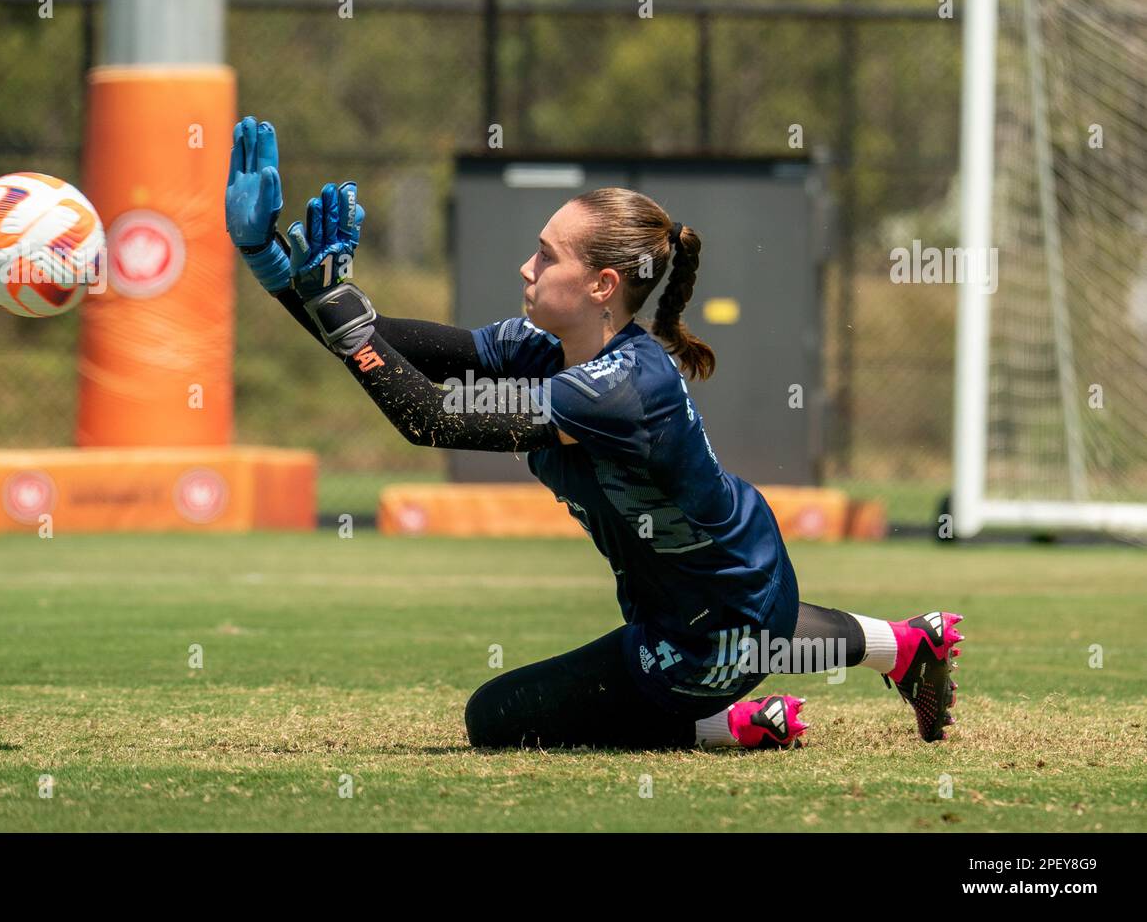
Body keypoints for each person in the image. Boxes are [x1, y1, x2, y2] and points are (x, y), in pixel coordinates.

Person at [224, 116, 964, 750]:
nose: (527, 264)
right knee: (728, 623)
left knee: (496, 720)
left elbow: (430, 417)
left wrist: (338, 306)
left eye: (547, 254)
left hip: (704, 631)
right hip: (729, 587)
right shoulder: (545, 345)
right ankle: (904, 645)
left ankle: (729, 724)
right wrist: (274, 264)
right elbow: (387, 344)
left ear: (603, 286)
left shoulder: (619, 391)